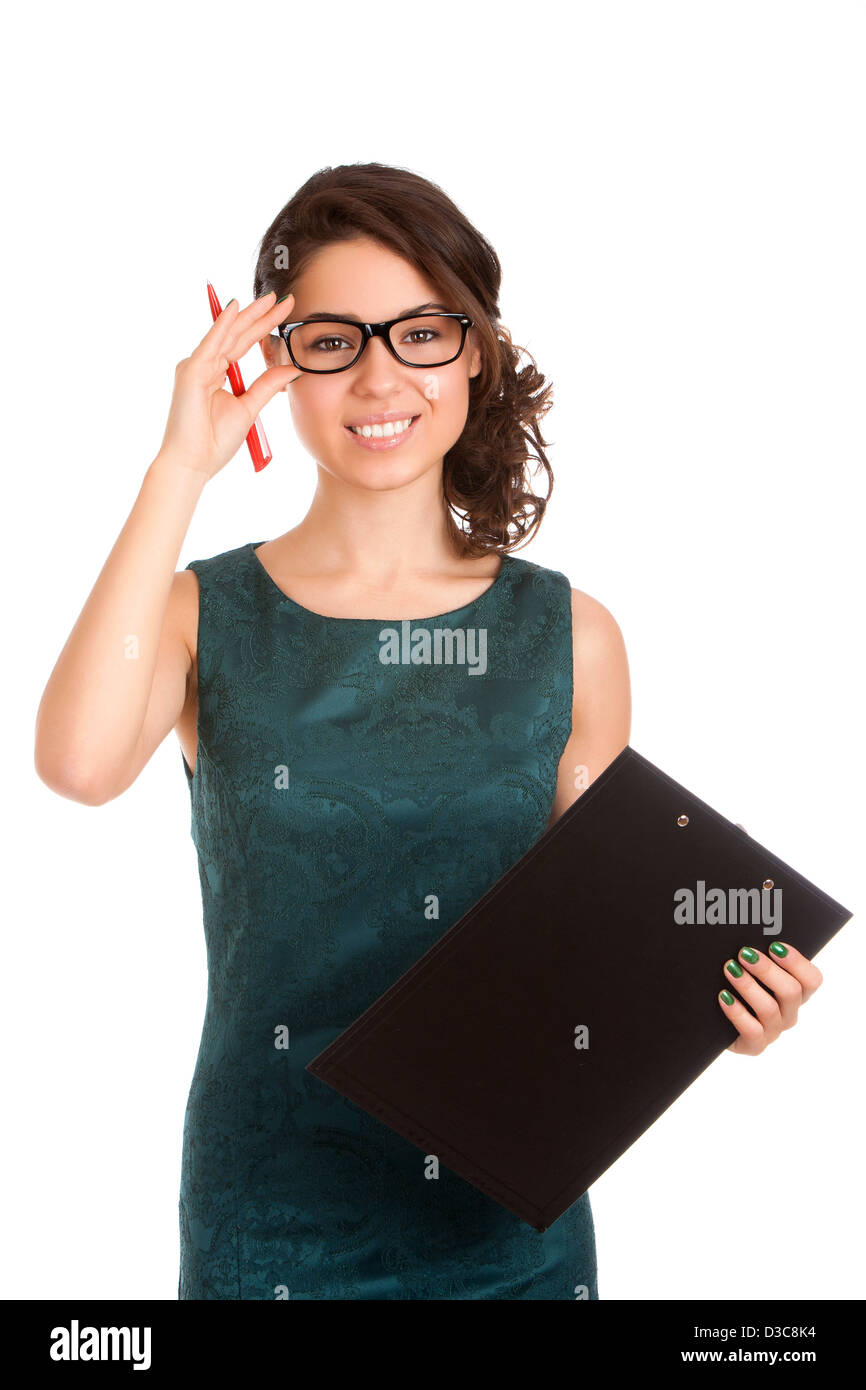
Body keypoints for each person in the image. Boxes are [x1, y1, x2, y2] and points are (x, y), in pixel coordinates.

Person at [34, 162, 823, 1300]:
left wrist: (726, 1011)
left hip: (508, 1235)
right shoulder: (201, 614)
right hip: (268, 1220)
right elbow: (77, 762)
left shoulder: (571, 635)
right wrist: (177, 468)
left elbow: (608, 949)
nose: (376, 377)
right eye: (332, 340)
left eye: (418, 332)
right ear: (275, 362)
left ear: (473, 354)